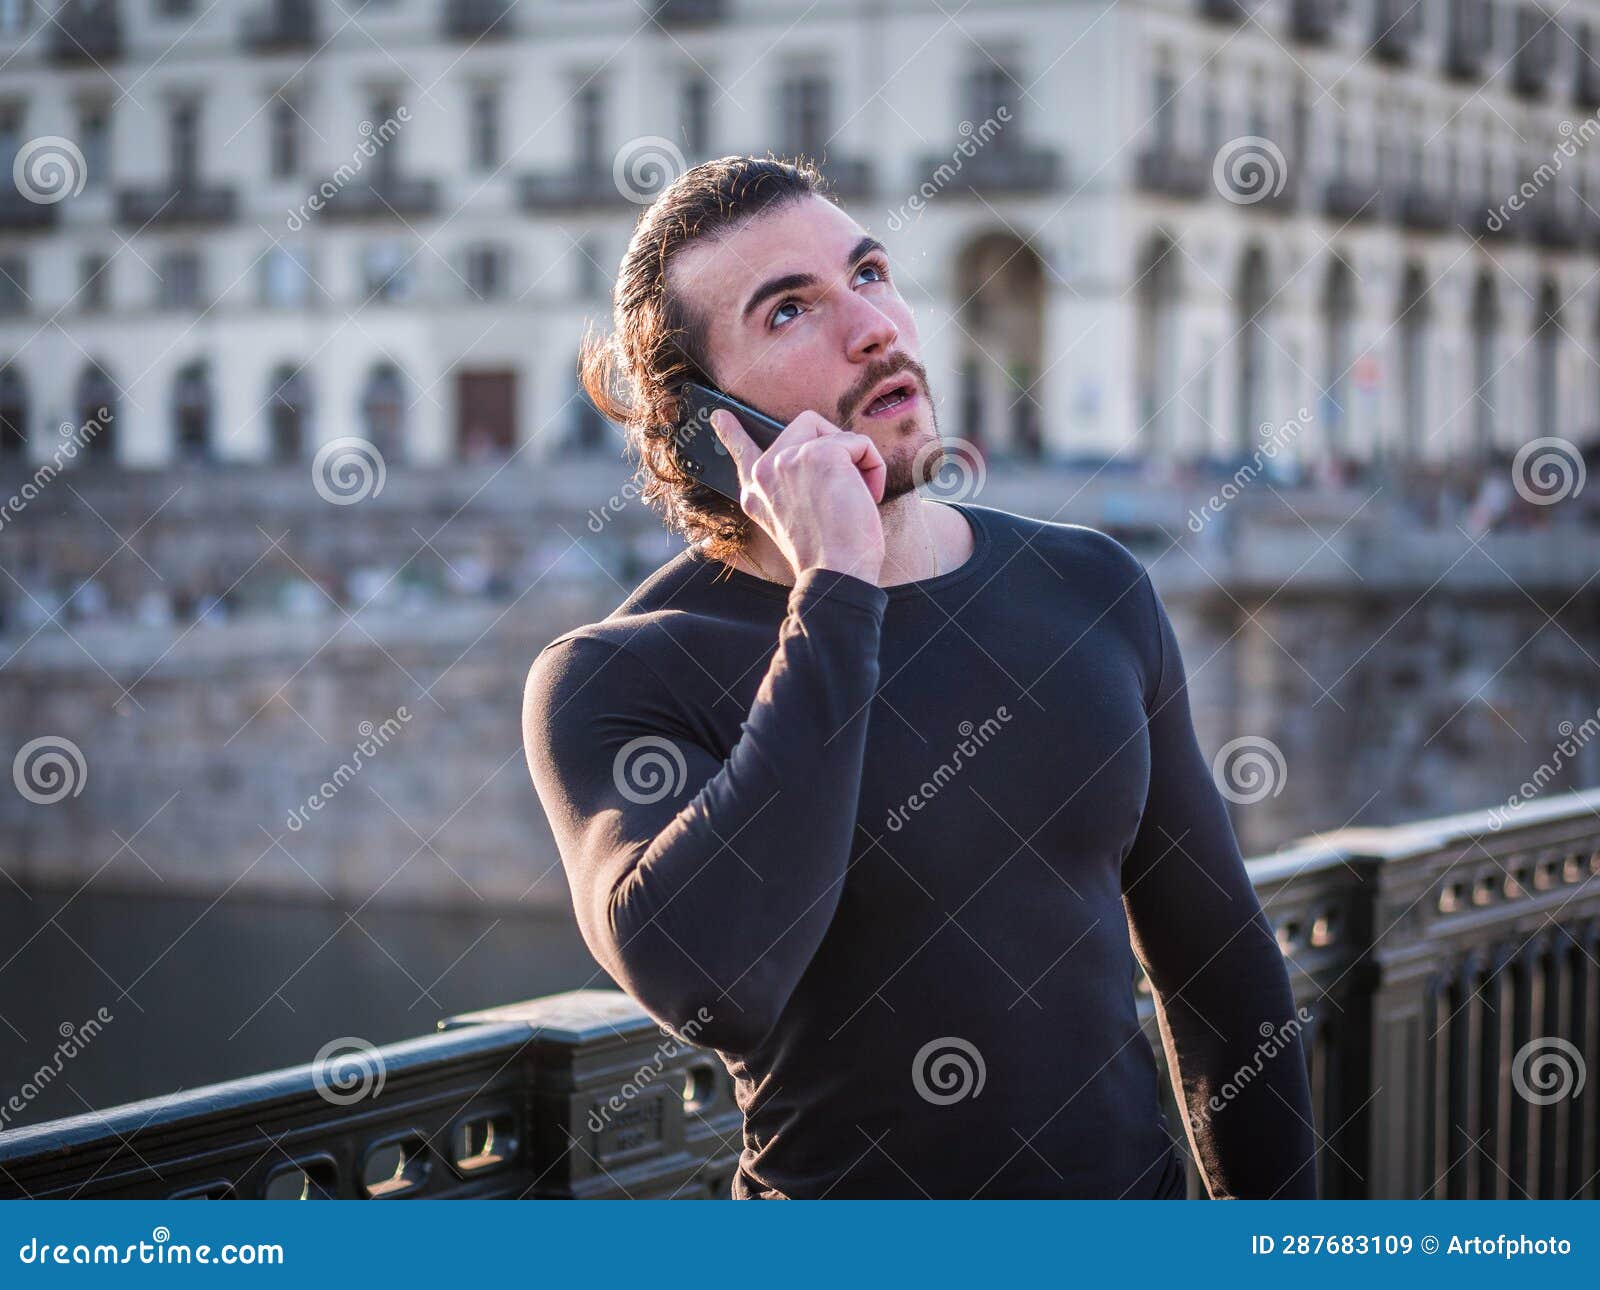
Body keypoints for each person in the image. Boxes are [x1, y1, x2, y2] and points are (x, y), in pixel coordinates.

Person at [521, 156, 1317, 1200]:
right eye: (790, 311)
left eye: (870, 273)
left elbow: (1221, 971)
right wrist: (836, 586)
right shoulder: (615, 675)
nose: (872, 327)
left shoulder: (1086, 586)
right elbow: (712, 984)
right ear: (702, 423)